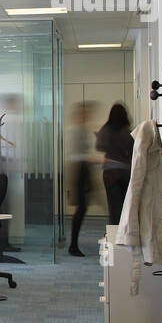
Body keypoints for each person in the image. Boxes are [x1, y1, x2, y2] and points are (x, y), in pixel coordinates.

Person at [97, 103, 134, 225]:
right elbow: (133, 150)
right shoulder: (127, 132)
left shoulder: (105, 130)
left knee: (113, 207)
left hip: (110, 173)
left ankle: (114, 234)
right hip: (125, 172)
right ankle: (124, 233)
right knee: (126, 205)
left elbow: (99, 147)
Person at [67, 102, 96, 256]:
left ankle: (74, 244)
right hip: (78, 171)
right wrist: (90, 158)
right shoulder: (74, 130)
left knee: (82, 208)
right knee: (80, 208)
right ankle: (73, 245)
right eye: (85, 114)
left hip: (84, 171)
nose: (87, 116)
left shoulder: (83, 130)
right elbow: (73, 154)